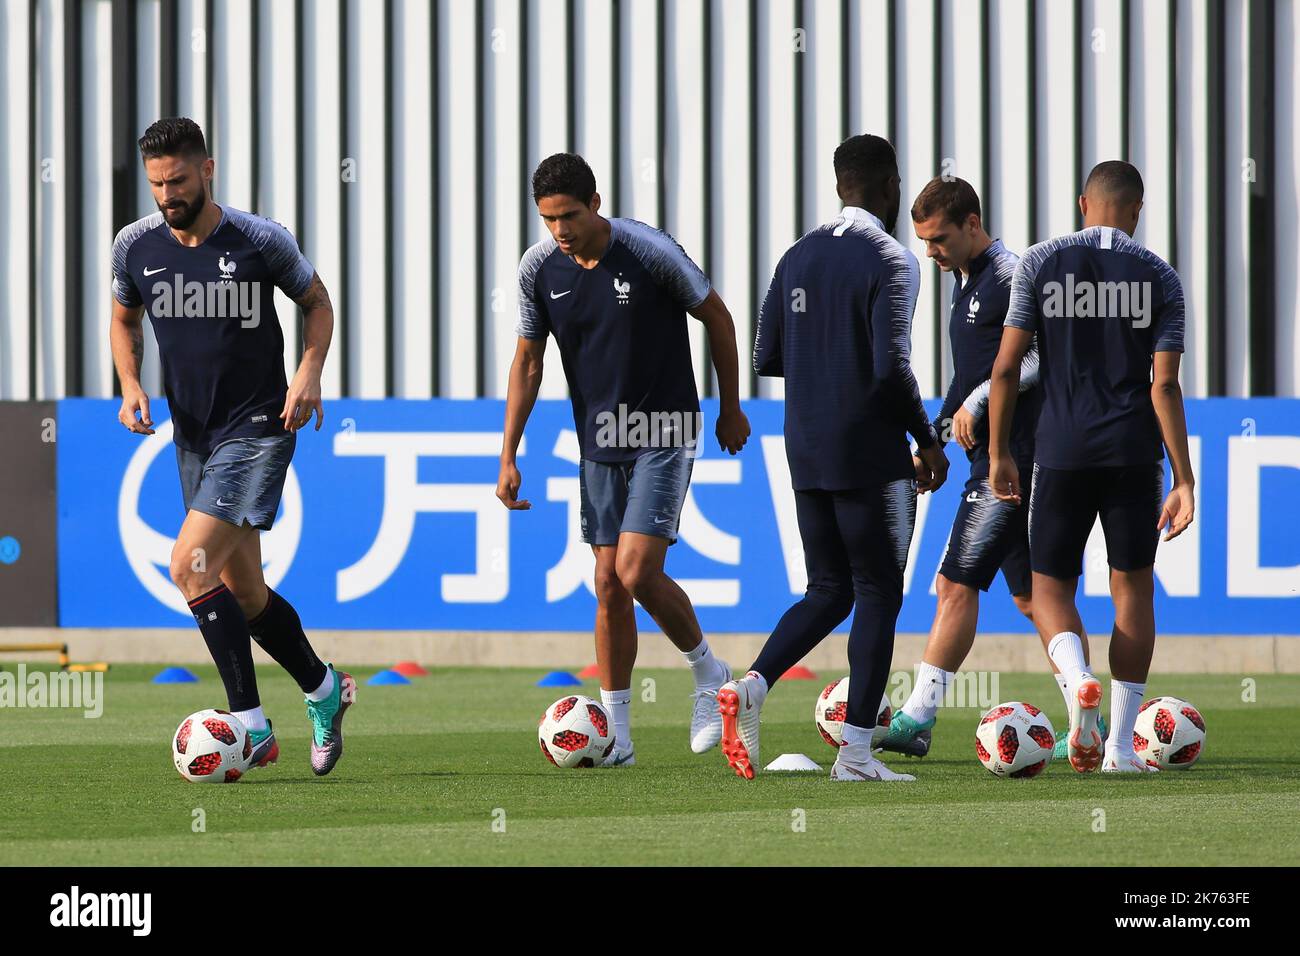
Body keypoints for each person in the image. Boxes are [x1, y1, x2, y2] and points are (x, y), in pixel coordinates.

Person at [110, 117, 354, 777]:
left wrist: (309, 371)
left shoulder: (258, 240)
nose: (168, 193)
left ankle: (249, 727)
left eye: (179, 180)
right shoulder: (134, 246)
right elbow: (124, 318)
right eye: (157, 183)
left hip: (258, 426)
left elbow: (318, 302)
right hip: (194, 433)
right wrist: (130, 382)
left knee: (188, 565)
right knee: (241, 592)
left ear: (207, 169)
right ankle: (325, 688)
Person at [498, 153, 751, 766]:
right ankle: (618, 738)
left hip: (665, 428)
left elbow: (716, 315)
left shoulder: (647, 251)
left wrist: (730, 405)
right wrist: (508, 451)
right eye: (549, 218)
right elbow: (528, 361)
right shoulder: (539, 270)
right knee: (608, 584)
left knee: (637, 571)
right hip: (597, 438)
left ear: (596, 204)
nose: (560, 230)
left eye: (571, 215)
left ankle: (710, 675)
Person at [718, 134, 947, 782]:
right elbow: (890, 367)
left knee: (827, 587)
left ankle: (753, 686)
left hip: (805, 442)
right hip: (868, 446)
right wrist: (926, 440)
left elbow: (767, 357)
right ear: (890, 187)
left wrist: (823, 362)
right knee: (877, 592)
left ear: (839, 183)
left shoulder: (796, 255)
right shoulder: (895, 261)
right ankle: (854, 754)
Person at [987, 160, 1194, 773]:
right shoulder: (1160, 276)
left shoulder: (1041, 262)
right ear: (1137, 208)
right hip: (1133, 454)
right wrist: (1183, 478)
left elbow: (1004, 370)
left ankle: (1078, 680)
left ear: (1084, 204)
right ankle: (1124, 748)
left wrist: (999, 453)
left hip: (1061, 450)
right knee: (1130, 589)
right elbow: (1165, 387)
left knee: (1050, 586)